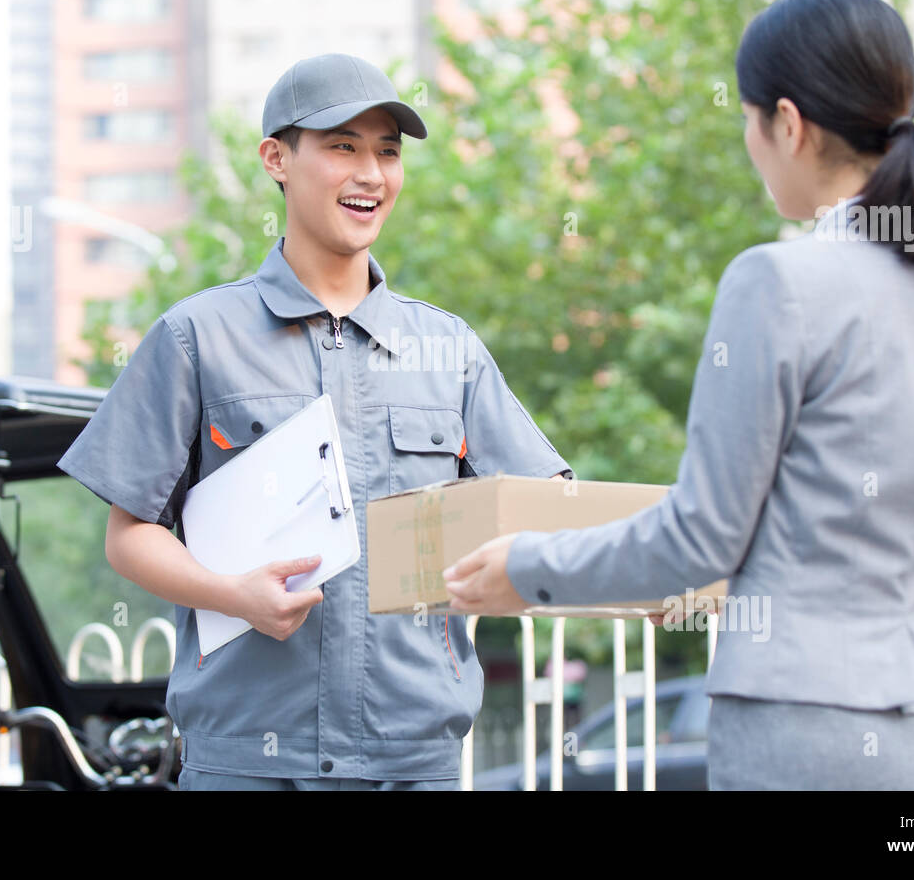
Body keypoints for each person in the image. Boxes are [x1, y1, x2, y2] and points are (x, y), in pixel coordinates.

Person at [443, 0, 914, 790]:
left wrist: (529, 567)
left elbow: (700, 539)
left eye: (750, 122)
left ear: (787, 124)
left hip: (803, 741)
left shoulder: (777, 281)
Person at [57, 53, 571, 791]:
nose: (371, 174)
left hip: (412, 765)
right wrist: (235, 596)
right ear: (277, 158)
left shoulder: (447, 350)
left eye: (388, 152)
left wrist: (647, 579)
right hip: (247, 764)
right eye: (343, 147)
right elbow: (129, 536)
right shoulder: (197, 337)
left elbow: (548, 512)